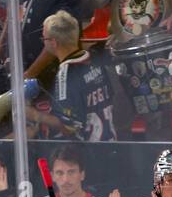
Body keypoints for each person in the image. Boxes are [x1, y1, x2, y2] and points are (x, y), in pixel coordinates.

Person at [26, 10, 116, 141]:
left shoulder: (66, 74)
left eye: (44, 39)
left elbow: (70, 127)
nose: (43, 42)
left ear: (54, 42)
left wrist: (34, 115)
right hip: (110, 141)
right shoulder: (95, 59)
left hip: (90, 152)